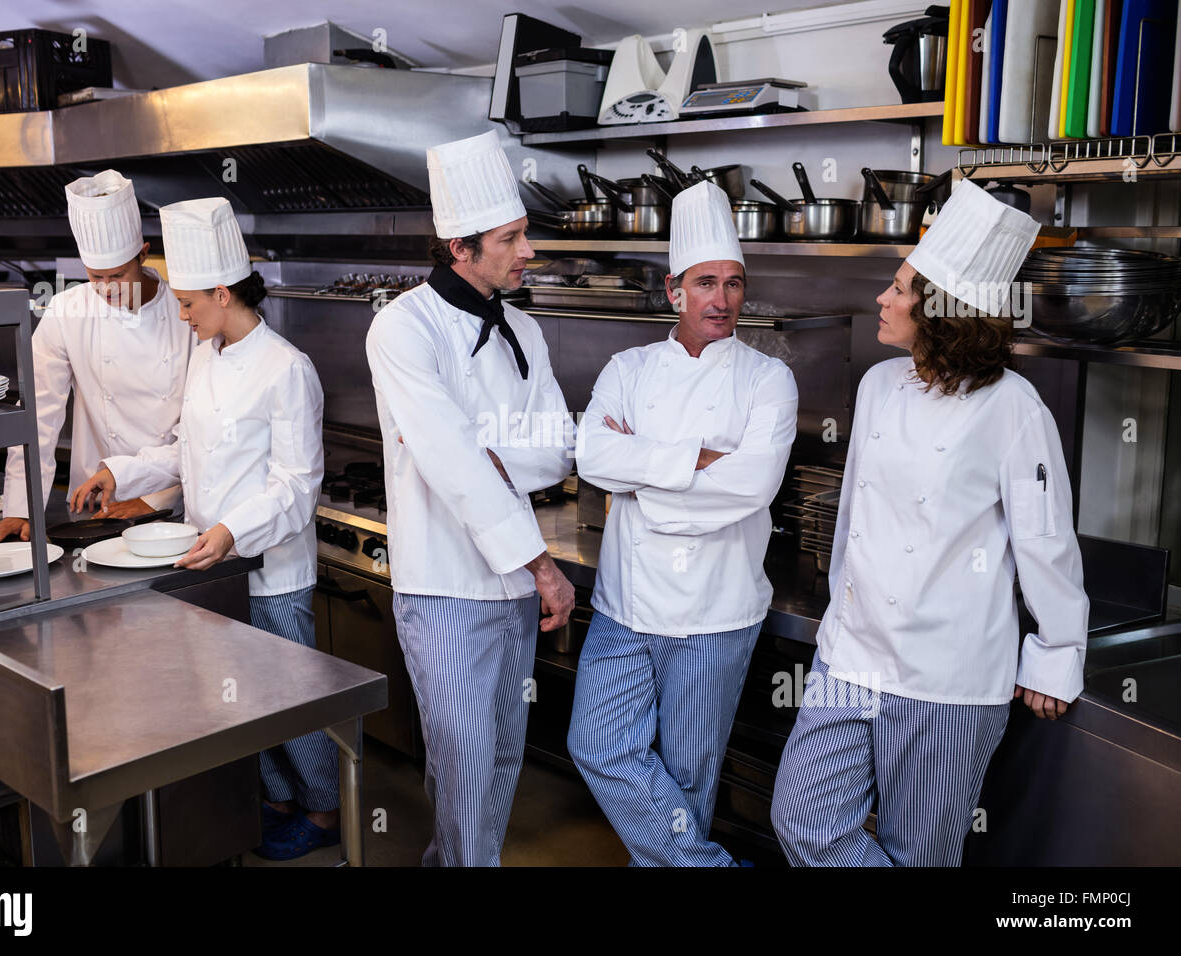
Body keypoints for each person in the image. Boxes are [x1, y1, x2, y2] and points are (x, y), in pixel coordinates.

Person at [769, 178, 1090, 867]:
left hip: (947, 676)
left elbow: (1045, 542)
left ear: (944, 312)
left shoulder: (1014, 408)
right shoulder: (879, 385)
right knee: (802, 820)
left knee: (921, 852)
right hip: (850, 655)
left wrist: (1058, 652)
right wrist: (837, 611)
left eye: (900, 288)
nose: (883, 299)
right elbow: (855, 508)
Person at [70, 197, 339, 861]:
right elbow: (184, 449)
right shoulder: (207, 357)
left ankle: (326, 812)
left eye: (189, 303)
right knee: (238, 699)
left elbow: (297, 486)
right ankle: (276, 800)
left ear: (222, 293)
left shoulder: (287, 369)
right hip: (209, 566)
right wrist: (118, 470)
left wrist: (229, 530)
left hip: (268, 567)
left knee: (287, 699)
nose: (181, 314)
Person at [567, 180, 799, 866]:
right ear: (675, 291)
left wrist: (642, 484)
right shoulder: (629, 367)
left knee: (689, 778)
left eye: (733, 283)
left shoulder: (768, 378)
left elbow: (752, 486)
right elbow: (593, 456)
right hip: (626, 605)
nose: (722, 299)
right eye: (706, 283)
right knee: (597, 745)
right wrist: (694, 465)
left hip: (716, 613)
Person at [364, 129, 576, 866]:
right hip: (445, 585)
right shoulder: (401, 326)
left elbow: (557, 445)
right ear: (460, 246)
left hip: (511, 586)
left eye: (526, 234)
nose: (529, 252)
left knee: (502, 761)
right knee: (462, 766)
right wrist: (542, 562)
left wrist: (494, 452)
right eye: (513, 238)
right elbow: (449, 459)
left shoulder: (524, 326)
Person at [0, 169, 191, 547]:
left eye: (117, 276)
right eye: (94, 276)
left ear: (144, 254)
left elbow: (200, 432)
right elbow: (38, 415)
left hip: (172, 501)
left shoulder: (186, 314)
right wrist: (20, 508)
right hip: (95, 508)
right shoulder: (68, 310)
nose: (105, 289)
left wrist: (150, 497)